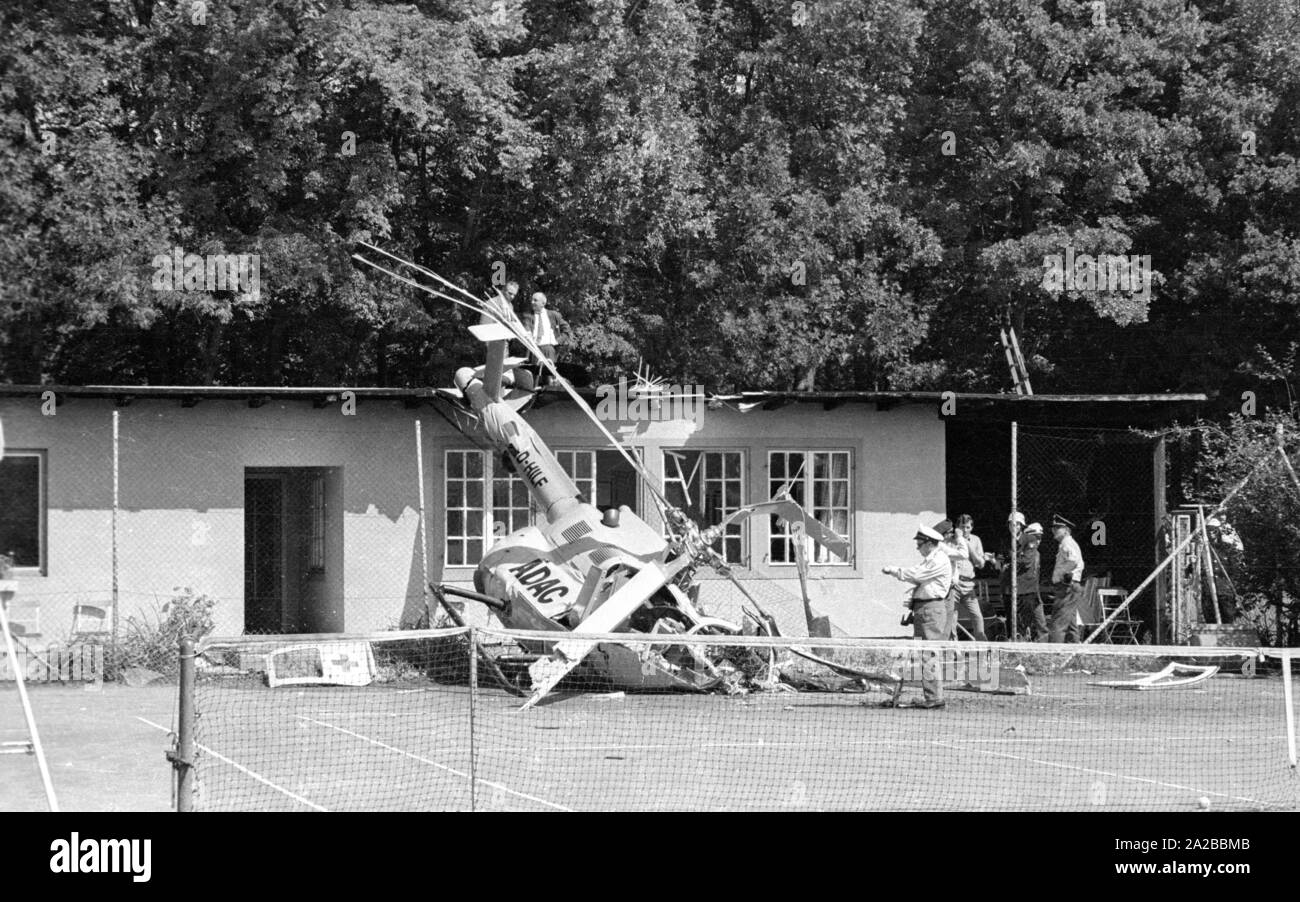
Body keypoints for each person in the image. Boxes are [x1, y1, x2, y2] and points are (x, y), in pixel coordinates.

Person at [882, 523, 951, 709]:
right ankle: (932, 696)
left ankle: (935, 698)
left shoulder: (938, 560)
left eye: (920, 544)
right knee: (924, 654)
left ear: (929, 543)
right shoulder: (930, 559)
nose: (917, 548)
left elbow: (917, 575)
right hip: (924, 609)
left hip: (931, 609)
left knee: (928, 654)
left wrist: (895, 571)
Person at [936, 518, 986, 641]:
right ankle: (954, 649)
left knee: (977, 616)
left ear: (972, 528)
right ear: (957, 527)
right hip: (954, 585)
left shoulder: (975, 540)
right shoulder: (948, 540)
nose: (965, 530)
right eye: (962, 527)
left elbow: (980, 564)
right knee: (952, 618)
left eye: (968, 527)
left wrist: (967, 544)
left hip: (969, 585)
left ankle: (983, 645)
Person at [1048, 514, 1085, 643]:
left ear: (1066, 530)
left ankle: (1054, 654)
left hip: (1067, 586)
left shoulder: (1067, 543)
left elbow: (1073, 560)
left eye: (1057, 528)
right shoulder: (1067, 543)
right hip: (1071, 586)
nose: (1054, 530)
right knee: (1070, 624)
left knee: (1058, 622)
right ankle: (1076, 650)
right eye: (1053, 528)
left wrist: (1061, 575)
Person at [1012, 523, 1048, 640]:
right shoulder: (1022, 552)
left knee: (1040, 621)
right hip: (1023, 593)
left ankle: (1043, 646)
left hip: (1034, 592)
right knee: (1023, 622)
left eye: (1040, 537)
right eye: (1035, 537)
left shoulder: (1037, 554)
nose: (1038, 540)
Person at [521, 291, 566, 384]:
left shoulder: (554, 315)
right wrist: (527, 332)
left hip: (549, 349)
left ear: (543, 303)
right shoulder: (528, 315)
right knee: (535, 378)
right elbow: (526, 325)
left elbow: (567, 330)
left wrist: (558, 341)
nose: (532, 302)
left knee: (550, 378)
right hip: (535, 349)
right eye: (532, 300)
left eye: (535, 300)